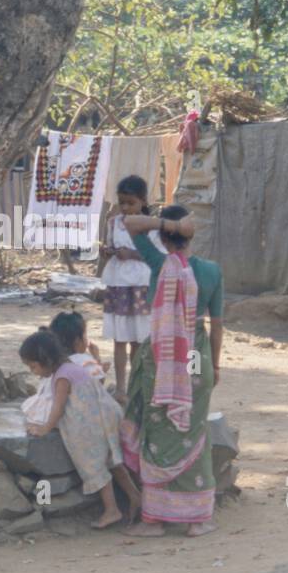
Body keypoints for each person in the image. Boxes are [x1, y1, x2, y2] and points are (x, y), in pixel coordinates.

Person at [118, 205, 224, 538]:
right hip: (195, 358)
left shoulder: (158, 263)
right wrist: (216, 365)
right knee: (193, 432)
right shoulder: (211, 271)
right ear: (192, 235)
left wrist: (166, 224)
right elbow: (217, 324)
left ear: (162, 237)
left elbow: (129, 224)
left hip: (162, 360)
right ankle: (198, 519)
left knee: (159, 433)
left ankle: (156, 520)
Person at [18, 330, 141, 528]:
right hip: (105, 416)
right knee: (113, 462)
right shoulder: (70, 367)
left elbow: (58, 408)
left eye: (33, 366)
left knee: (94, 466)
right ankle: (135, 497)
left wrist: (45, 428)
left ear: (46, 360)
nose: (34, 372)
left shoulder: (62, 377)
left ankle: (112, 510)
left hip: (89, 426)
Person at [100, 175, 158, 402]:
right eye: (121, 202)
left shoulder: (152, 226)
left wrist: (132, 254)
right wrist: (108, 252)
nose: (125, 207)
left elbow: (158, 257)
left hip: (140, 285)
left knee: (137, 340)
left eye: (130, 203)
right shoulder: (114, 223)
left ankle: (136, 386)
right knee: (119, 339)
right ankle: (121, 388)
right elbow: (111, 246)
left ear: (143, 201)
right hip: (118, 284)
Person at [48, 311, 107, 383]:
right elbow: (100, 382)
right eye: (85, 335)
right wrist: (97, 358)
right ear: (77, 340)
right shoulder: (84, 360)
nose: (86, 338)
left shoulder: (53, 361)